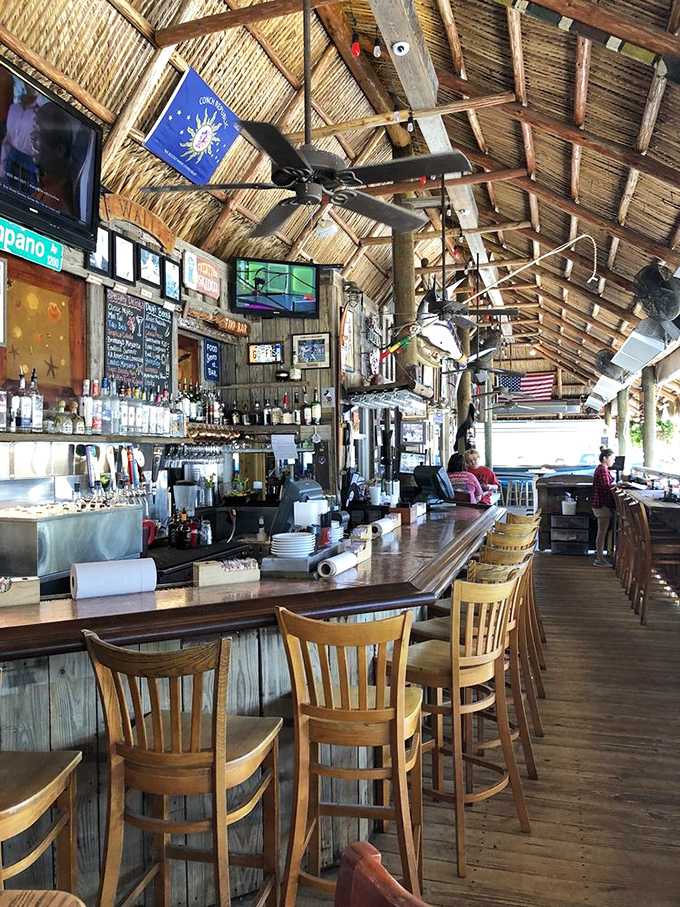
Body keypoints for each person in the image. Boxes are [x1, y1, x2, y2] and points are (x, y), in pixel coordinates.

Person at [592, 448, 616, 567]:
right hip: (601, 505)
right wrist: (619, 485)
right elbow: (606, 487)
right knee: (602, 532)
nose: (613, 461)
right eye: (612, 458)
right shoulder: (602, 470)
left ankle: (600, 556)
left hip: (600, 504)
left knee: (602, 532)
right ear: (605, 458)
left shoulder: (602, 469)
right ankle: (599, 559)